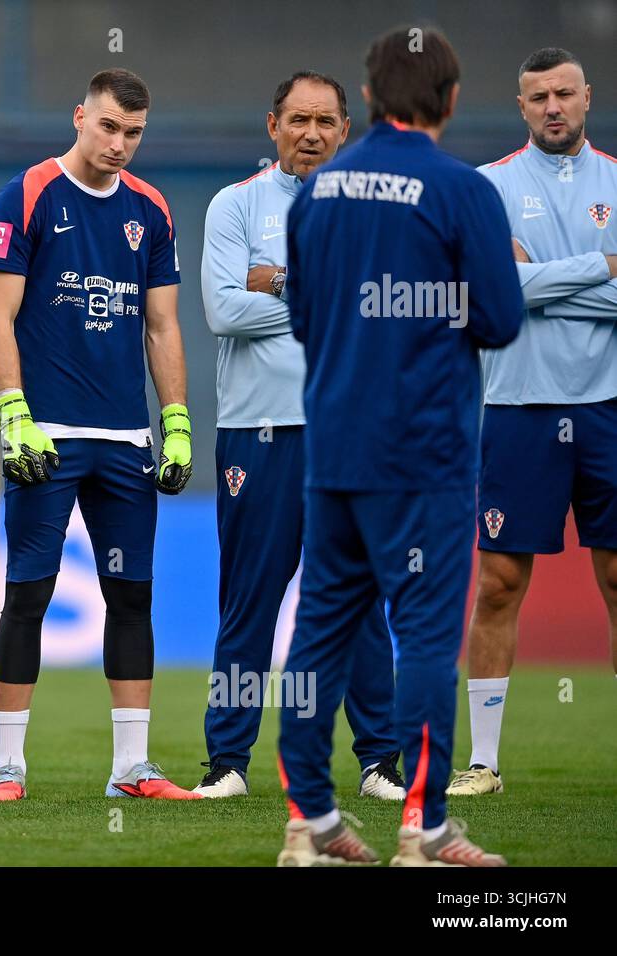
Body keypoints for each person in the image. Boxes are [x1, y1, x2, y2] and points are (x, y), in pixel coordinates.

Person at [276, 27, 521, 866]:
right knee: (421, 636)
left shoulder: (316, 193)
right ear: (450, 101)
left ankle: (308, 820)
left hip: (333, 448)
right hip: (425, 456)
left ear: (370, 99)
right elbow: (500, 319)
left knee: (318, 634)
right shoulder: (463, 191)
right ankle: (422, 827)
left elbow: (302, 316)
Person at [0, 68, 197, 802]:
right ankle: (9, 769)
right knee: (28, 595)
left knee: (131, 596)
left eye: (134, 132)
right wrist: (13, 411)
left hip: (126, 442)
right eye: (109, 127)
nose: (120, 144)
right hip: (48, 437)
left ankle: (131, 768)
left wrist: (174, 421)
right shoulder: (29, 194)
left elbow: (162, 325)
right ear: (80, 117)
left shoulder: (152, 210)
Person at [199, 70, 403, 801]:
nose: (311, 133)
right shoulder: (235, 205)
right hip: (257, 433)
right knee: (249, 599)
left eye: (325, 121)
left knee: (359, 597)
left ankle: (380, 760)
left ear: (347, 130)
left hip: (348, 431)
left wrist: (279, 283)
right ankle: (227, 762)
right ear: (272, 125)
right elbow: (223, 312)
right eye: (298, 120)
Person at [450, 47, 617, 797]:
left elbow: (525, 288)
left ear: (588, 97)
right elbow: (499, 295)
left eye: (564, 94)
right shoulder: (488, 188)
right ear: (520, 107)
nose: (553, 107)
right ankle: (483, 761)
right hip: (518, 408)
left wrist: (539, 282)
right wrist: (606, 267)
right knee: (498, 583)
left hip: (609, 405)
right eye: (537, 97)